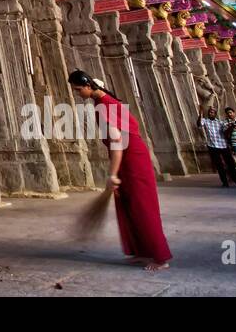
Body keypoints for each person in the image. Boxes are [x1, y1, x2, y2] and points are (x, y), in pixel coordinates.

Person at [68, 70, 171, 271]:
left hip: (132, 159)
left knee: (142, 207)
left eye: (79, 89)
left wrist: (112, 174)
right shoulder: (104, 101)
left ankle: (160, 257)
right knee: (129, 205)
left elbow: (117, 144)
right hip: (130, 156)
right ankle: (142, 251)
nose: (78, 93)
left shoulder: (105, 107)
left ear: (89, 86)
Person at [198, 106, 236, 187]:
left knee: (230, 164)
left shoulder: (220, 122)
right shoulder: (205, 121)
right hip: (212, 146)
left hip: (223, 144)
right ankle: (225, 182)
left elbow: (226, 132)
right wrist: (200, 114)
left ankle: (235, 179)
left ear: (215, 114)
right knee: (219, 165)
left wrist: (231, 127)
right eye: (210, 112)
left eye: (213, 112)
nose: (211, 113)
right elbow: (199, 124)